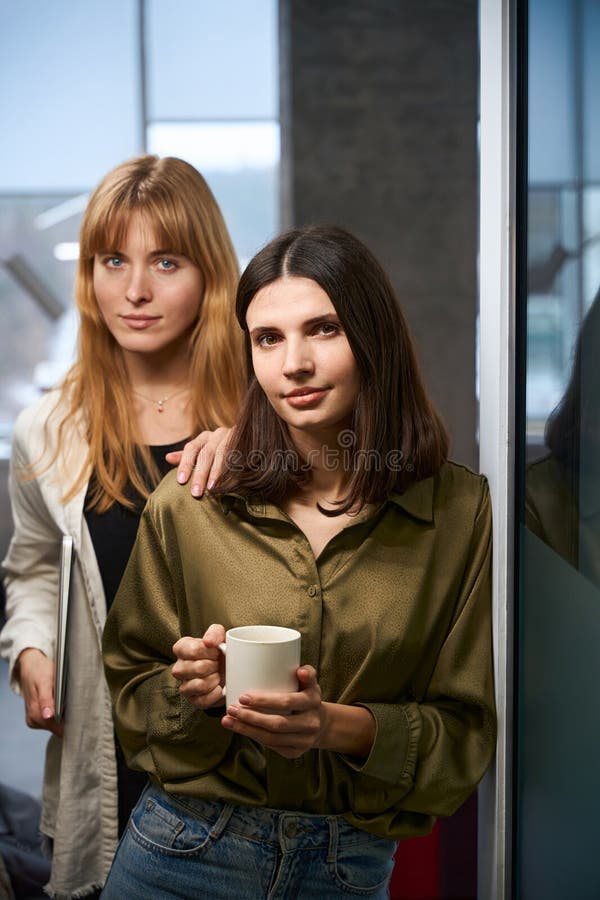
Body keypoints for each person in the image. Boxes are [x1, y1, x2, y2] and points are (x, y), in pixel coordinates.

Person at [101, 224, 497, 899]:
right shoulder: (193, 501)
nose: (295, 365)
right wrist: (194, 693)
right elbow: (130, 689)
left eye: (324, 329)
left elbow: (465, 737)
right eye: (268, 339)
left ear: (374, 338)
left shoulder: (459, 514)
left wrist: (334, 727)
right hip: (179, 852)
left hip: (346, 869)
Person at [0, 154, 245, 899]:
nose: (133, 290)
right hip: (109, 761)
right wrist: (31, 646)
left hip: (244, 773)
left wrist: (261, 446)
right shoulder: (51, 427)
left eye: (164, 261)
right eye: (113, 260)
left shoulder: (265, 414)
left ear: (208, 274)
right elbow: (37, 560)